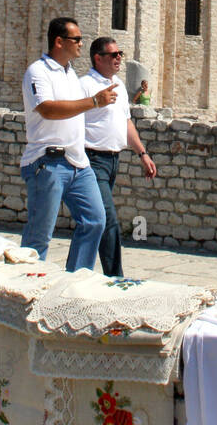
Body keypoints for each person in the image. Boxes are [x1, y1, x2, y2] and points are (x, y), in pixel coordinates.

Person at [19, 17, 113, 271]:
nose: (82, 43)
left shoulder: (71, 74)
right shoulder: (37, 72)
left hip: (78, 163)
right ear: (59, 41)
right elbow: (47, 109)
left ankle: (74, 279)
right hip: (47, 162)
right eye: (77, 39)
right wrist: (93, 101)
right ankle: (23, 287)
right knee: (40, 235)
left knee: (94, 221)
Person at [79, 37, 157, 277]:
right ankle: (115, 277)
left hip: (113, 161)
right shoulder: (84, 85)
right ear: (98, 58)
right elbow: (71, 122)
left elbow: (125, 123)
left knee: (94, 222)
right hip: (92, 160)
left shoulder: (120, 86)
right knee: (107, 219)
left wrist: (142, 154)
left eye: (119, 53)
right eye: (113, 55)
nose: (119, 58)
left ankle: (77, 273)